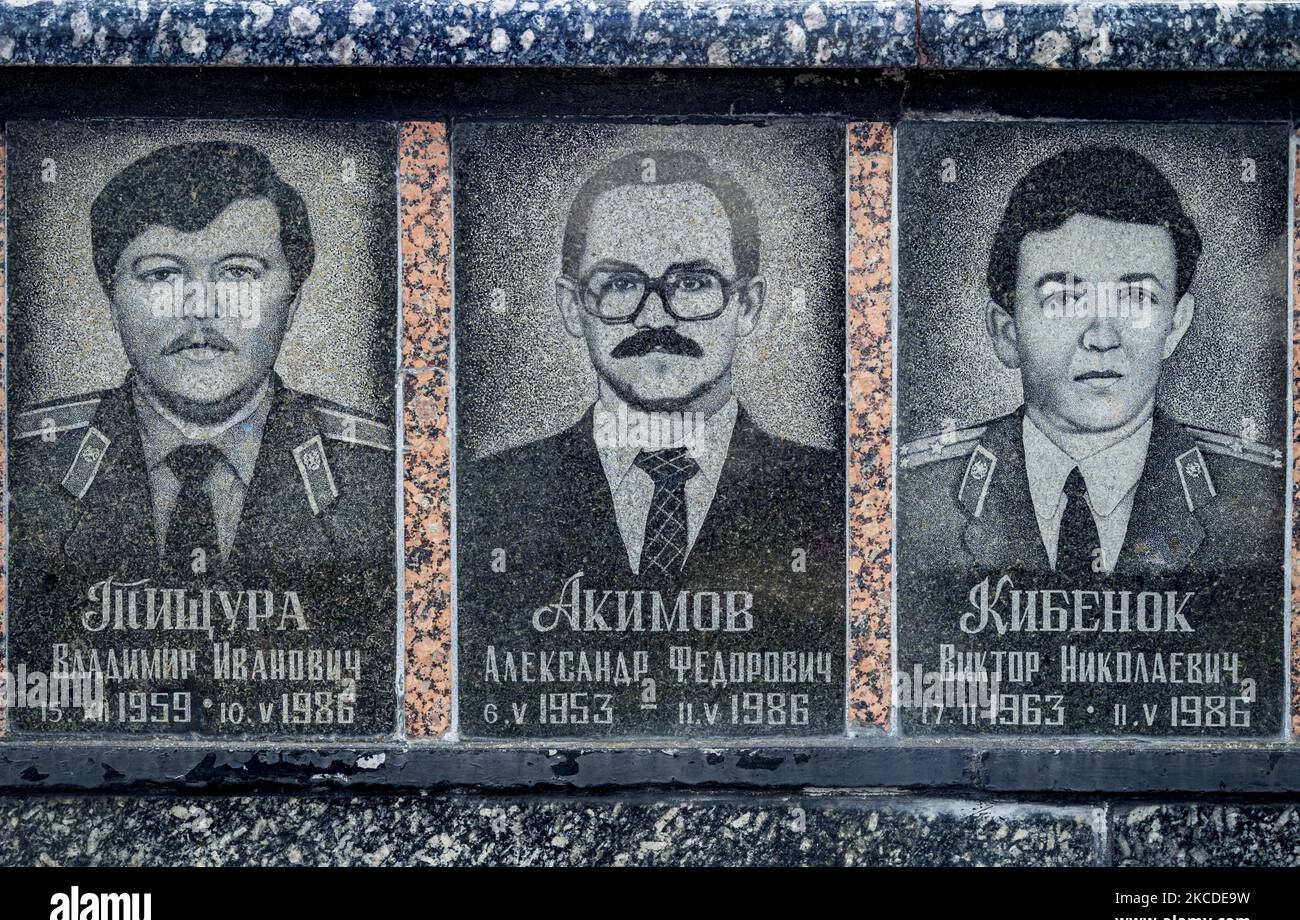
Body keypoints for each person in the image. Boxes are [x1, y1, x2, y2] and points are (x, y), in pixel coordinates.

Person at [458, 147, 842, 605]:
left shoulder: (836, 494)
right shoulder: (485, 498)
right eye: (621, 284)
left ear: (748, 305)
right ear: (572, 307)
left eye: (694, 282)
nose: (656, 318)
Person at [9, 141, 393, 579]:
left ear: (293, 302)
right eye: (162, 274)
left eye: (238, 273)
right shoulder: (27, 464)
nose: (200, 306)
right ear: (113, 302)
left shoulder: (383, 475)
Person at [898, 146, 1283, 577]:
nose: (1101, 338)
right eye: (1063, 299)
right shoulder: (913, 499)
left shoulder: (1265, 499)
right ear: (1007, 332)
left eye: (1136, 297)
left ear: (1175, 325)